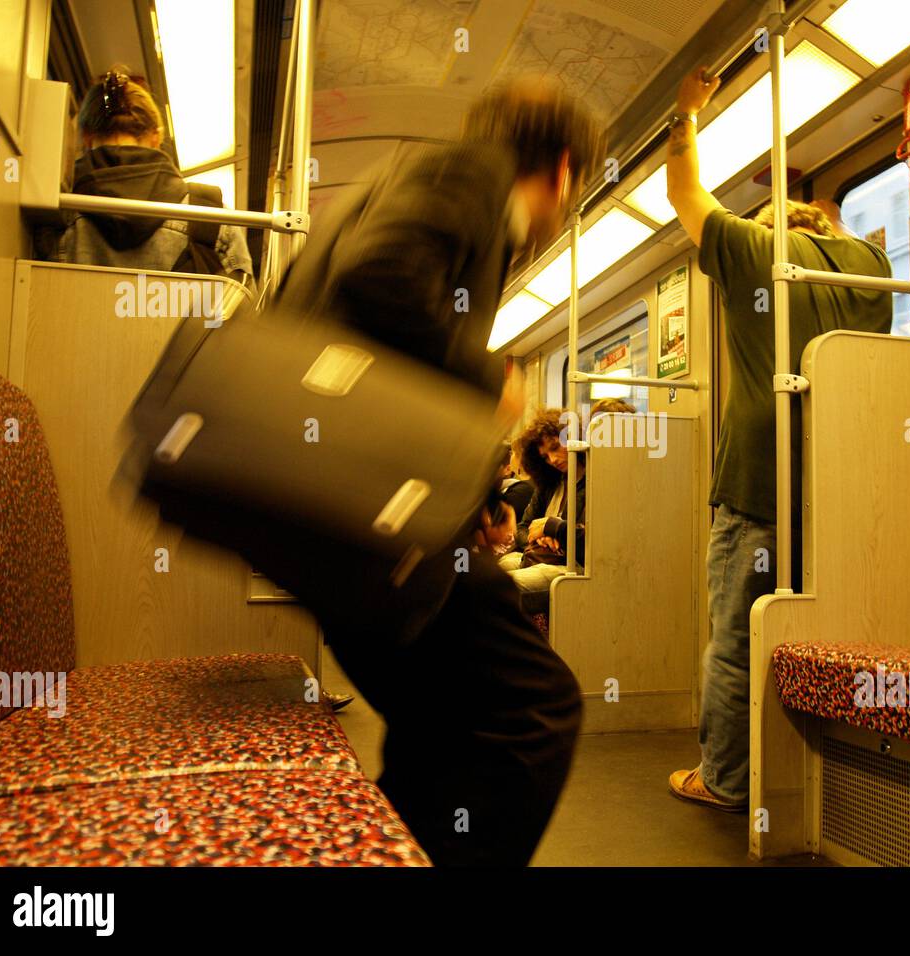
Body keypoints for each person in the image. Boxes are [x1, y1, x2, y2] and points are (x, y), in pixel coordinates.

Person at [153, 78, 606, 865]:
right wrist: (488, 375)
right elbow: (383, 279)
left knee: (439, 729)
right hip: (361, 531)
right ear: (563, 170)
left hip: (338, 526)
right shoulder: (469, 177)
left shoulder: (400, 184)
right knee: (532, 709)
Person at [663, 67, 893, 812]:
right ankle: (823, 791)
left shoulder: (749, 248)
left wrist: (686, 112)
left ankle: (726, 780)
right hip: (839, 483)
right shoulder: (872, 265)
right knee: (815, 625)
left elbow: (683, 192)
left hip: (759, 478)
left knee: (735, 636)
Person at [35, 67, 254, 284]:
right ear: (156, 137)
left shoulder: (55, 214)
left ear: (87, 138)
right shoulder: (209, 213)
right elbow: (243, 307)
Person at [500, 408, 585, 614]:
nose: (553, 460)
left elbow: (593, 542)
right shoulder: (549, 482)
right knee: (491, 572)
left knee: (503, 587)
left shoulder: (595, 482)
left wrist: (552, 527)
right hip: (539, 554)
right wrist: (538, 537)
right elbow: (522, 528)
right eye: (545, 457)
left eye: (555, 447)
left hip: (573, 565)